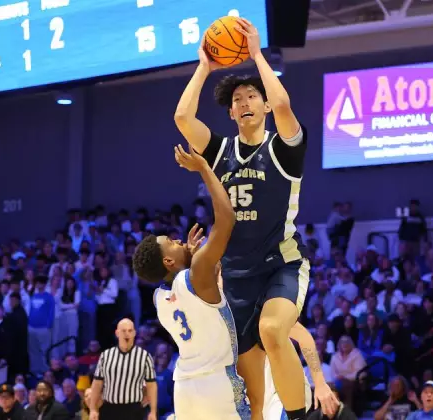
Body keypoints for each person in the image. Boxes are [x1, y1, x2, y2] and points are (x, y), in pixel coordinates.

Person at [174, 16, 309, 420]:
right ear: (231, 113)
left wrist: (255, 55)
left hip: (281, 265)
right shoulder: (219, 151)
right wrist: (204, 68)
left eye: (252, 96)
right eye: (237, 100)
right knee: (252, 381)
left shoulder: (285, 148)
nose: (244, 103)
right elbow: (182, 118)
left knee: (273, 331)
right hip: (235, 276)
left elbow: (284, 103)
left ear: (264, 105)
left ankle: (304, 416)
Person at [132, 143, 246, 420]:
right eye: (171, 242)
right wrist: (205, 169)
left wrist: (198, 260)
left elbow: (200, 287)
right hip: (217, 384)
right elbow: (227, 218)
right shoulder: (196, 274)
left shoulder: (159, 298)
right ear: (168, 262)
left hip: (184, 387)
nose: (178, 239)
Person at [264, 323, 337, 419]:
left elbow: (303, 336)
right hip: (249, 390)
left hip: (283, 387)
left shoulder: (264, 313)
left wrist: (320, 383)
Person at [88, 319, 157, 420]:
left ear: (134, 333)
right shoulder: (106, 355)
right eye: (123, 331)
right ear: (117, 333)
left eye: (130, 331)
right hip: (109, 408)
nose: (127, 334)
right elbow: (97, 383)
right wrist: (93, 409)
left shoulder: (144, 356)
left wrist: (153, 411)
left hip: (134, 410)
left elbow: (151, 385)